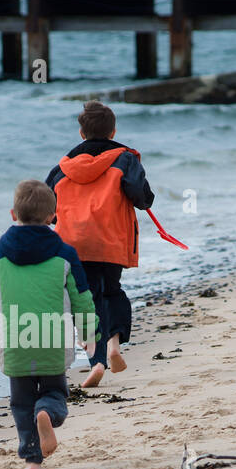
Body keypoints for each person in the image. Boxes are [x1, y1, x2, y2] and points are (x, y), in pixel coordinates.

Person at [0, 179, 97, 469]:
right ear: (52, 217)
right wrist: (90, 334)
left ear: (12, 214)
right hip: (53, 336)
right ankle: (47, 412)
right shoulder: (65, 253)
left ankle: (32, 459)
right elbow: (82, 298)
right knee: (54, 391)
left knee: (20, 401)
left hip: (14, 338)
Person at [45, 100, 154, 388]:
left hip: (74, 243)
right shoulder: (125, 159)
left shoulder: (62, 167)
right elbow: (143, 198)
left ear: (81, 134)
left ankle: (97, 361)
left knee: (87, 300)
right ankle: (114, 344)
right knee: (112, 290)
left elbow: (47, 208)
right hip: (110, 240)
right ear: (113, 131)